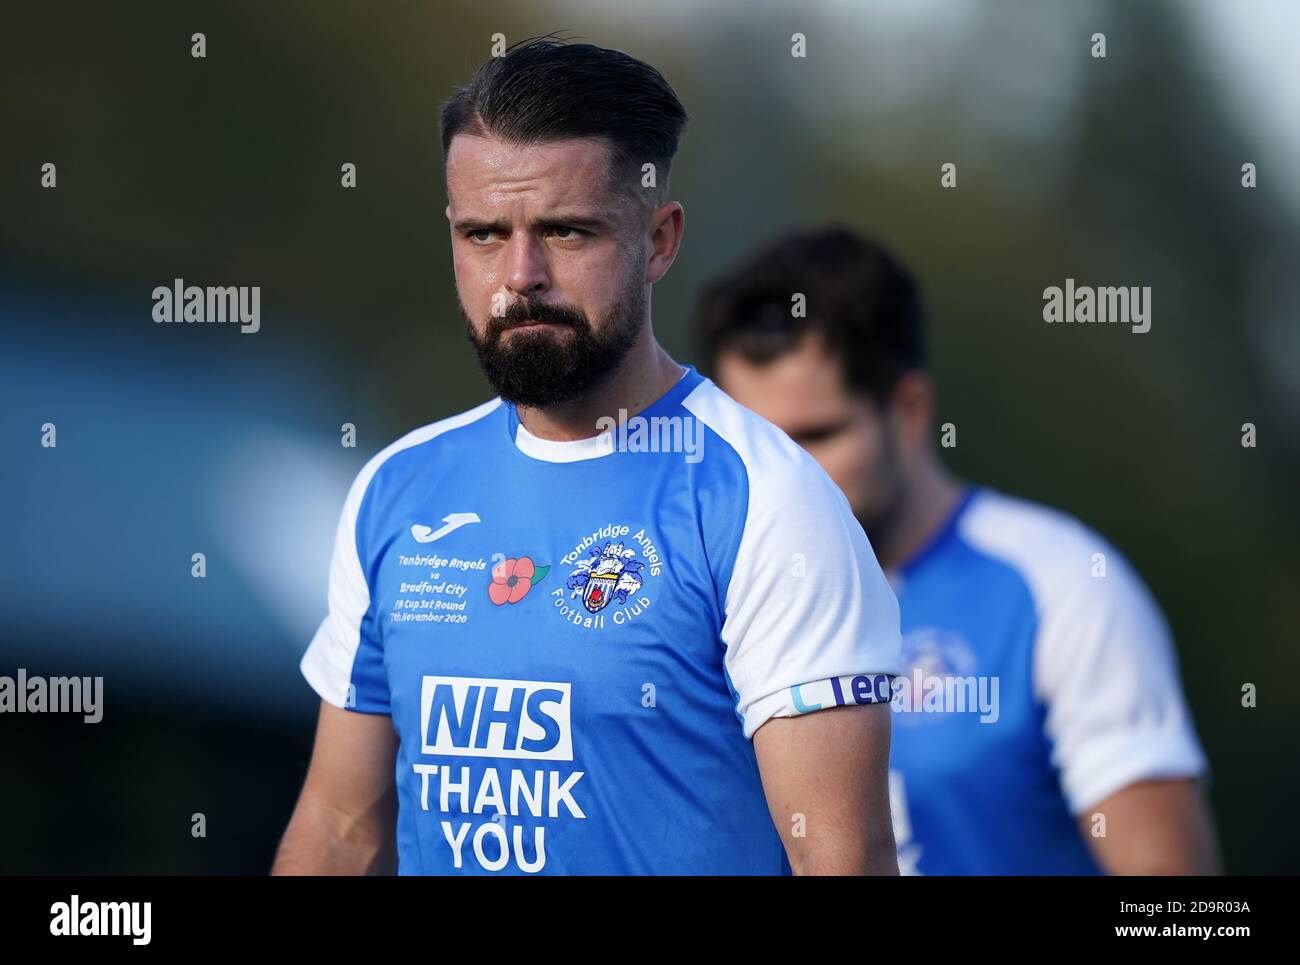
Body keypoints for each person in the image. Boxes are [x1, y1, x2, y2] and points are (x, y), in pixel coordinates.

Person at [273, 41, 902, 876]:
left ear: (660, 238)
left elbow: (842, 859)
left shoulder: (765, 501)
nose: (520, 276)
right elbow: (340, 830)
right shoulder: (399, 489)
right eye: (484, 234)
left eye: (566, 231)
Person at [697, 225, 1221, 874]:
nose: (789, 478)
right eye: (763, 446)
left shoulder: (1063, 586)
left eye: (817, 436)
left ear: (910, 410)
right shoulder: (703, 594)